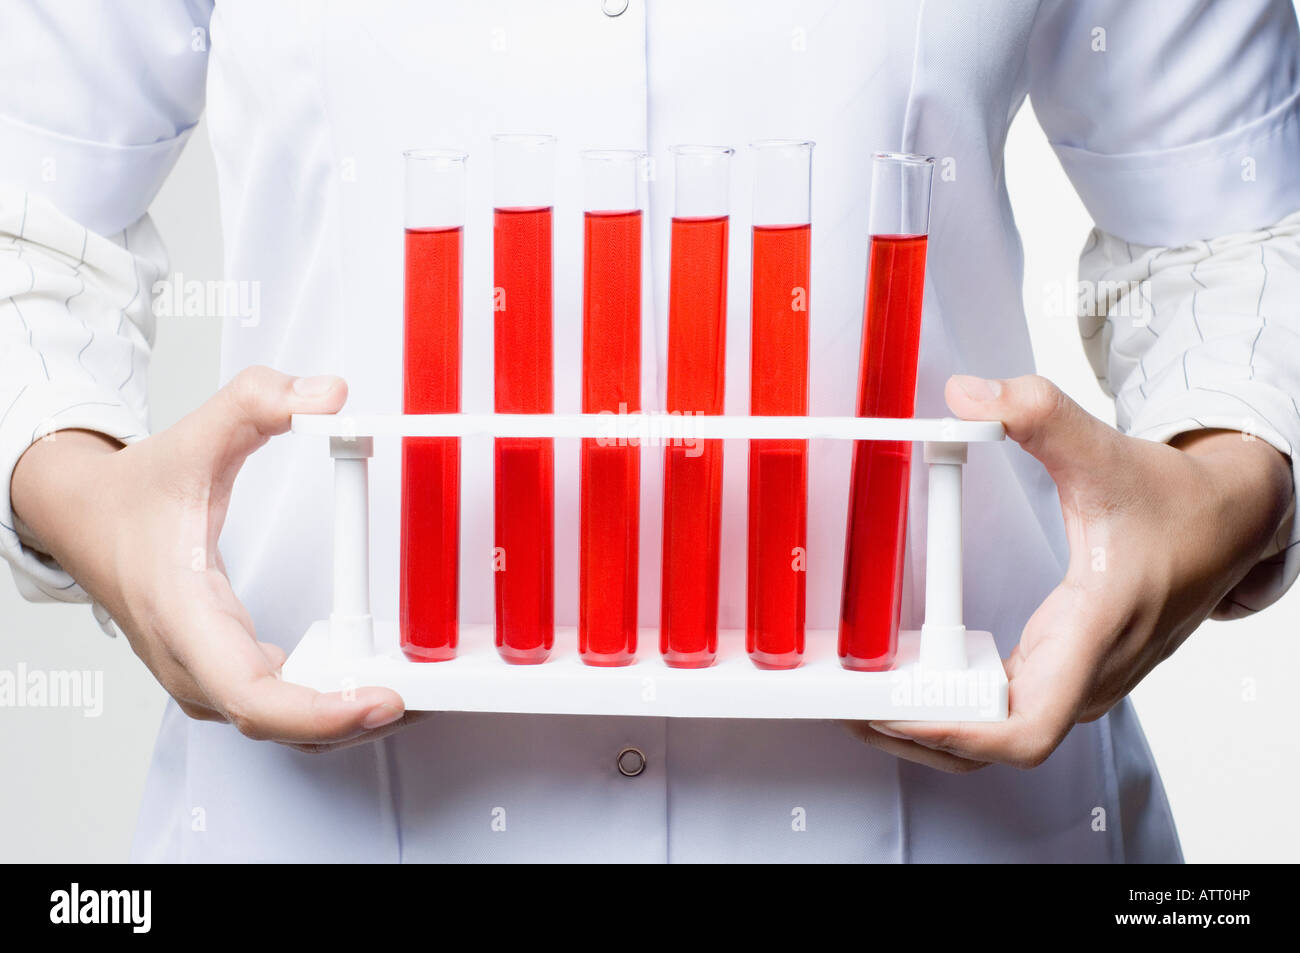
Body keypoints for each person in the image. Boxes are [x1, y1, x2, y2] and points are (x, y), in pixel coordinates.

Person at [2, 0, 1297, 862]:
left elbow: (1239, 231)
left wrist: (1221, 483)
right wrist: (90, 499)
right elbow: (30, 220)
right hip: (315, 814)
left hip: (969, 808)